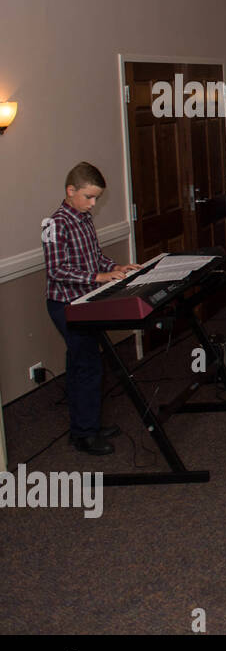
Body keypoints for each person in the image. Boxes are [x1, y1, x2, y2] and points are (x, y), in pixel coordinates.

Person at [42, 162, 139, 456]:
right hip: (64, 304)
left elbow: (94, 257)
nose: (93, 204)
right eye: (89, 197)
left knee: (82, 363)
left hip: (85, 301)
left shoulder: (83, 218)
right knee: (87, 366)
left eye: (96, 198)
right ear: (71, 191)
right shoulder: (54, 223)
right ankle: (84, 433)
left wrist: (115, 268)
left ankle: (86, 426)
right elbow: (57, 270)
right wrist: (98, 277)